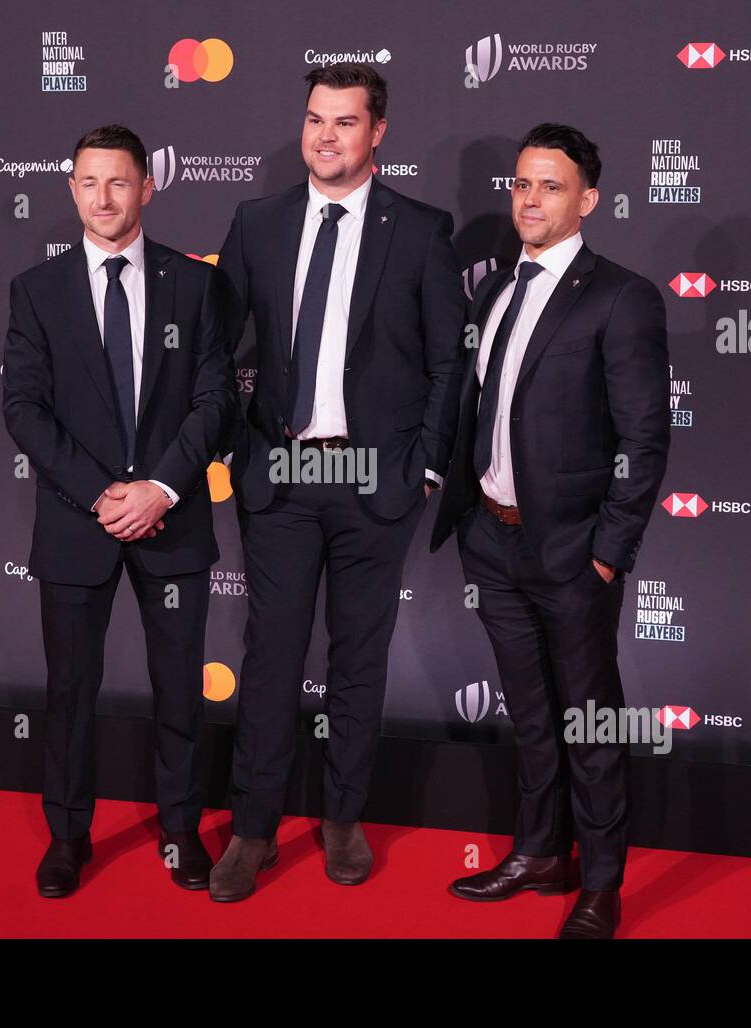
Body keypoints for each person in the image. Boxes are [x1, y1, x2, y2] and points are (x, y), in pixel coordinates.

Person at [210, 63, 465, 901]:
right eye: (316, 119)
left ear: (377, 131)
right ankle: (253, 829)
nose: (326, 136)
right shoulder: (258, 221)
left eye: (345, 121)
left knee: (359, 658)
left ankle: (343, 820)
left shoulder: (421, 230)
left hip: (375, 481)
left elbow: (447, 364)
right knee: (271, 658)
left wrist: (425, 467)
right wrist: (237, 450)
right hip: (280, 475)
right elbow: (214, 348)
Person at [430, 123, 670, 939]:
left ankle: (600, 885)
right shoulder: (495, 290)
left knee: (589, 724)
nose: (530, 200)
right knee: (531, 716)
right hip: (491, 543)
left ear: (588, 200)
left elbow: (644, 439)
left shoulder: (621, 297)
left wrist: (607, 554)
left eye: (552, 187)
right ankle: (538, 853)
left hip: (572, 555)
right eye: (522, 184)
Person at [2, 124, 236, 898]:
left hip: (173, 520)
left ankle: (181, 831)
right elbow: (24, 409)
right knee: (70, 690)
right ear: (71, 189)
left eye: (119, 182)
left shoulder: (195, 285)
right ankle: (68, 834)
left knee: (180, 689)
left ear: (147, 187)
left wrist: (159, 488)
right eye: (89, 182)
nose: (104, 198)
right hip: (80, 524)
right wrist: (103, 494)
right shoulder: (37, 291)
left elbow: (215, 402)